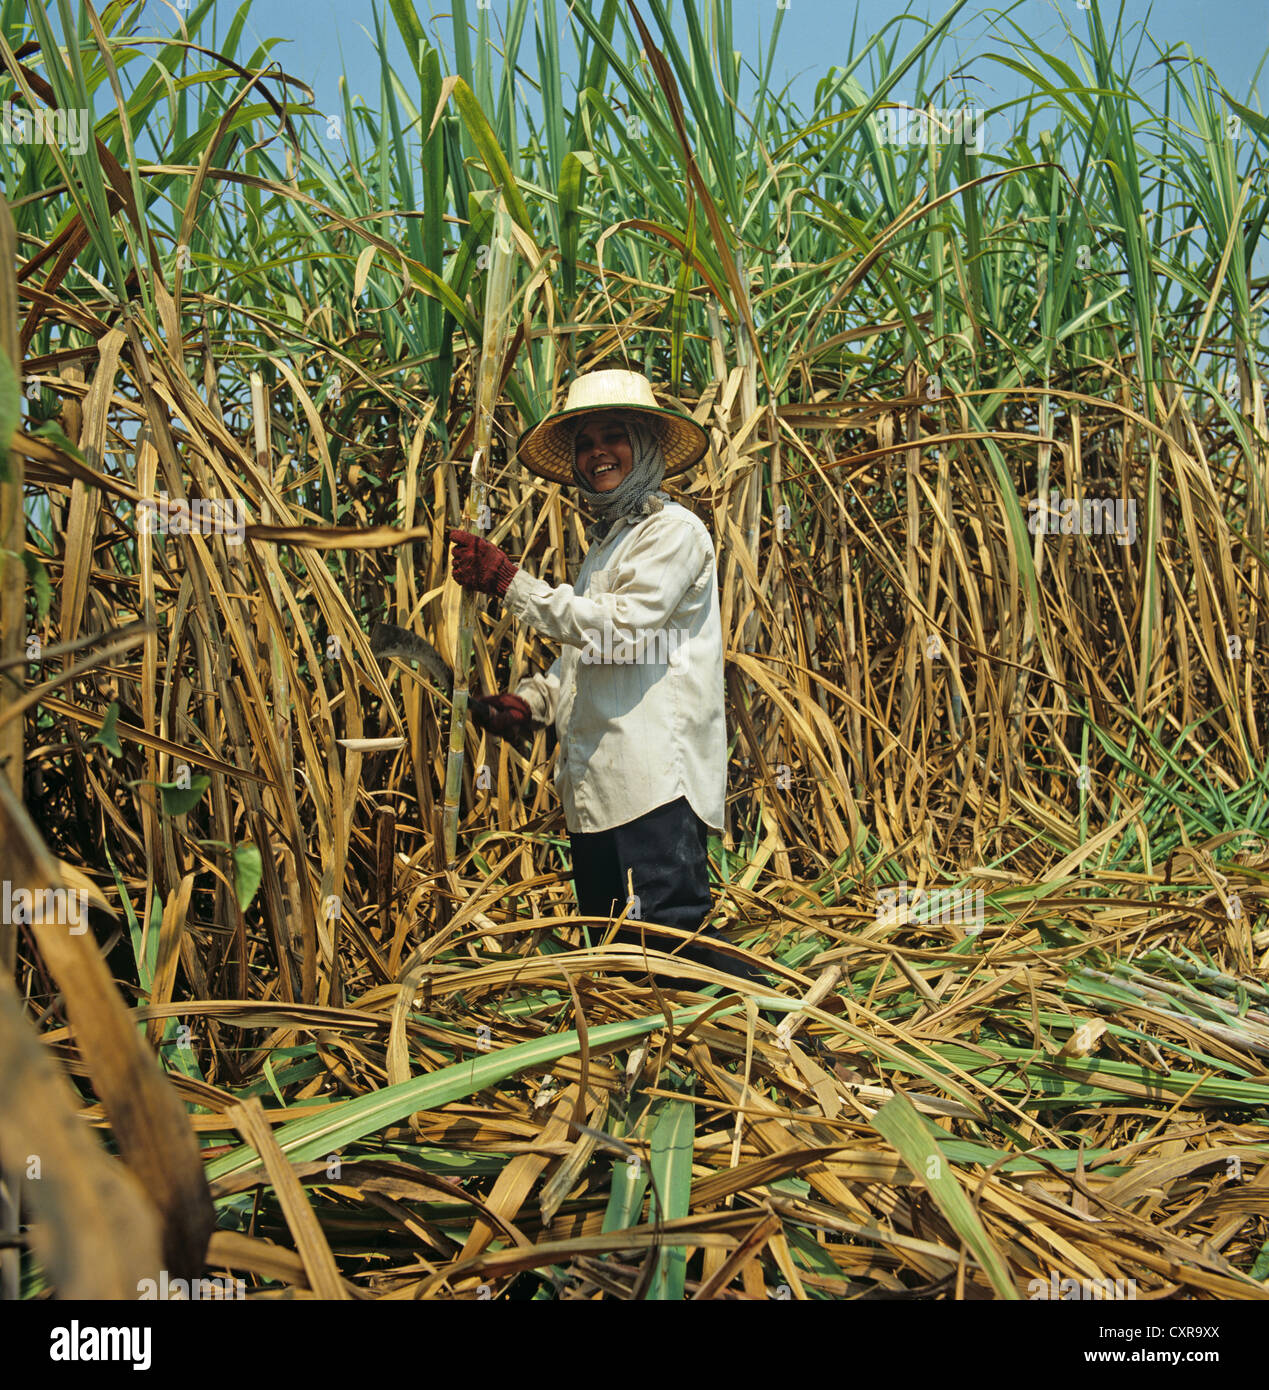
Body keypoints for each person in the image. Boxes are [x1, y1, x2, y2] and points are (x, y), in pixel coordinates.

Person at [446, 368, 768, 991]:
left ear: (645, 444)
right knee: (618, 960)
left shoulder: (675, 533)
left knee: (674, 944)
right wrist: (531, 704)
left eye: (613, 436)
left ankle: (787, 1032)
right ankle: (647, 1078)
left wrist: (511, 584)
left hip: (653, 785)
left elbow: (621, 631)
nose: (598, 454)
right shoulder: (607, 548)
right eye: (586, 442)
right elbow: (586, 659)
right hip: (596, 790)